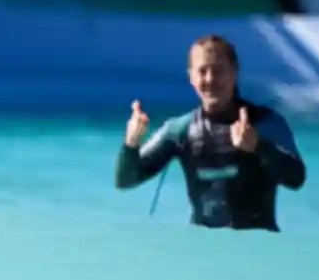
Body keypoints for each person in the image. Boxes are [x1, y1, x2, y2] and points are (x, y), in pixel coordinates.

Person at [114, 34, 307, 232]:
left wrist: (258, 146)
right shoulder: (179, 130)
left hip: (257, 245)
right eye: (202, 71)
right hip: (202, 247)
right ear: (191, 76)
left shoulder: (265, 123)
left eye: (219, 71)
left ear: (234, 72)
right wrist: (131, 143)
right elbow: (125, 181)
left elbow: (296, 179)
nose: (210, 79)